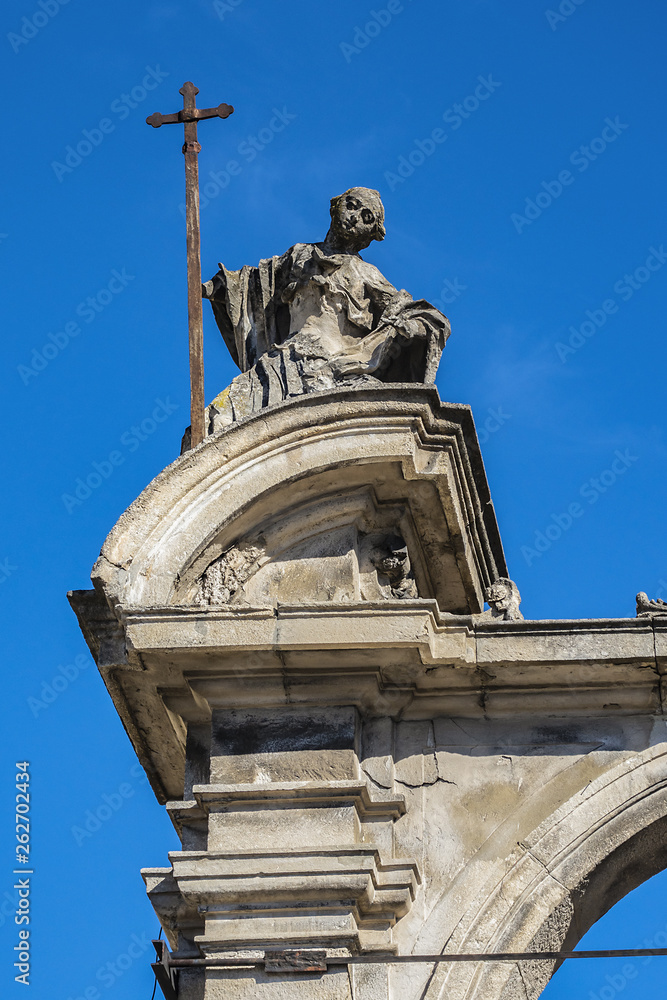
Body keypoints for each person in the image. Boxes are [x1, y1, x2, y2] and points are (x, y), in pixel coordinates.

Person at [202, 187, 450, 427]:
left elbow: (410, 313)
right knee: (216, 418)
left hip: (332, 366)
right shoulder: (300, 254)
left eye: (366, 218)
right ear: (335, 207)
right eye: (351, 206)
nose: (353, 218)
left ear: (371, 234)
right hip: (283, 359)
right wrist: (222, 286)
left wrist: (413, 326)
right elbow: (257, 286)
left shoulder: (364, 273)